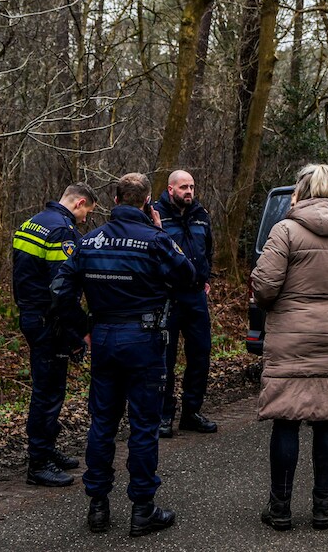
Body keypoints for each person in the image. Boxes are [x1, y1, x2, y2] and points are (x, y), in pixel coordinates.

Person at [51, 173, 196, 536]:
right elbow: (188, 276)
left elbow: (59, 291)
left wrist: (82, 327)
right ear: (147, 202)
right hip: (143, 341)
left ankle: (98, 506)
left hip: (103, 339)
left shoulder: (89, 241)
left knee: (102, 423)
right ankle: (142, 509)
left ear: (115, 201)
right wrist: (160, 233)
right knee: (143, 426)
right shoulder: (155, 240)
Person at [251, 164, 328, 531]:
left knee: (286, 419)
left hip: (290, 334)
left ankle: (280, 510)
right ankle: (323, 509)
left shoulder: (285, 230)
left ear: (301, 190)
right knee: (327, 419)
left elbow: (266, 286)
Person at [11, 183, 97, 487]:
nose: (86, 218)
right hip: (49, 320)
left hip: (31, 313)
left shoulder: (31, 222)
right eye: (88, 212)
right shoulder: (62, 231)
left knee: (48, 388)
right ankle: (39, 463)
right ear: (80, 203)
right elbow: (63, 291)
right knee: (48, 392)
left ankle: (47, 449)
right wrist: (79, 332)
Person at [153, 170, 217, 437]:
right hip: (167, 296)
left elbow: (208, 248)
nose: (189, 192)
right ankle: (164, 415)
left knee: (200, 354)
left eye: (191, 187)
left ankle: (191, 412)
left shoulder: (200, 215)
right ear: (170, 190)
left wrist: (205, 276)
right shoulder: (156, 215)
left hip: (195, 297)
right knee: (165, 359)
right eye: (183, 188)